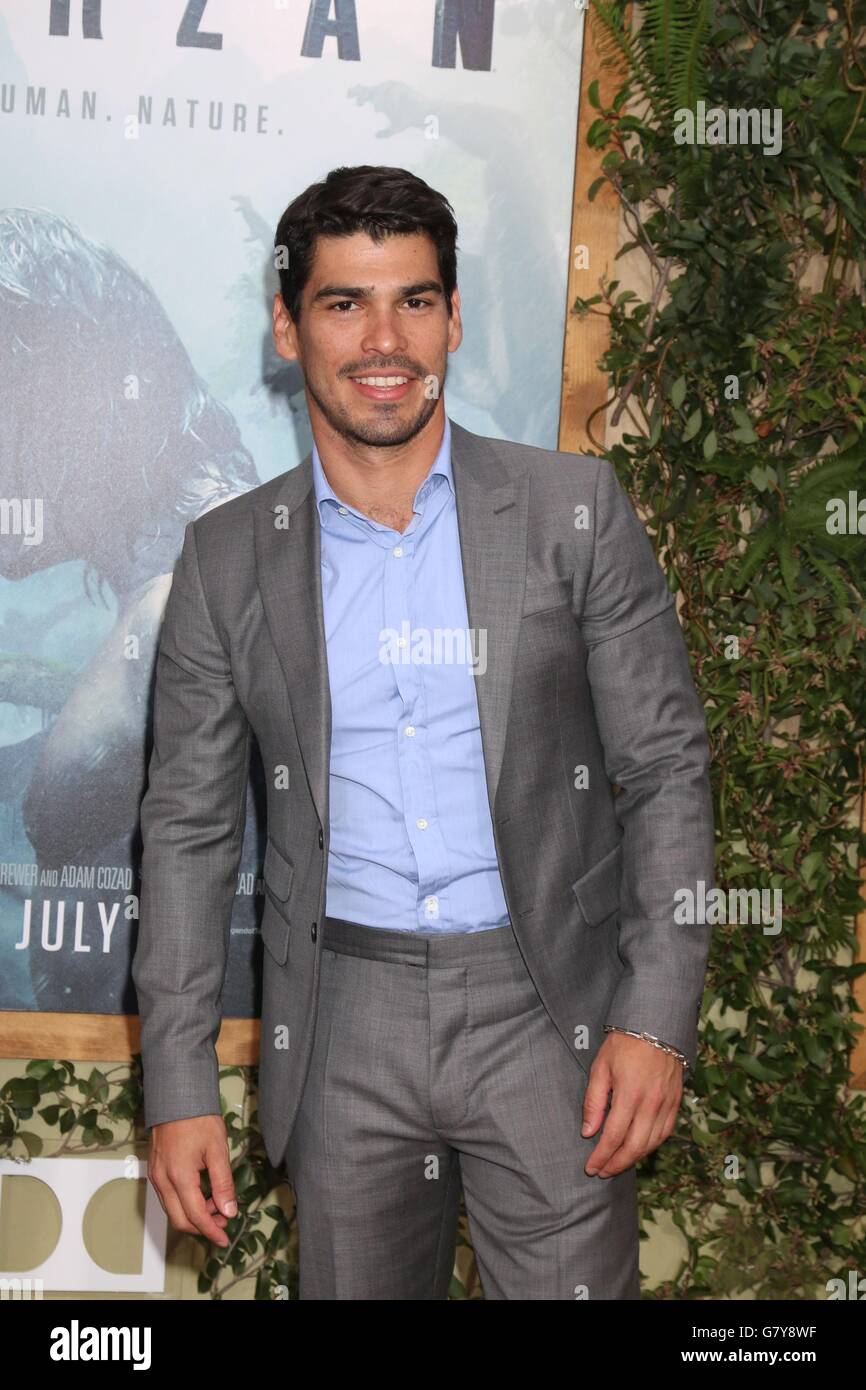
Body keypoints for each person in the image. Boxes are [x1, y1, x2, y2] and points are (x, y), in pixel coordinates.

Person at [133, 164, 715, 1300]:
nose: (381, 338)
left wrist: (655, 1017)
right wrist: (179, 1085)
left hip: (549, 1011)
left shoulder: (573, 513)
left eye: (413, 299)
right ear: (286, 325)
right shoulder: (224, 558)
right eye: (344, 302)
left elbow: (663, 770)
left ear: (452, 316)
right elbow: (188, 835)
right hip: (343, 1017)